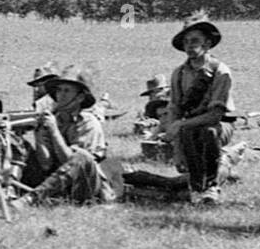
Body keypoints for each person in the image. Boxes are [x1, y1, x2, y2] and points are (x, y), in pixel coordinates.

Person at [13, 65, 116, 206]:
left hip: (82, 188)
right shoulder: (55, 119)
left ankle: (32, 198)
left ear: (80, 98)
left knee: (82, 156)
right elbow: (46, 164)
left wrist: (54, 131)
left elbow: (71, 162)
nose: (60, 95)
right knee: (18, 145)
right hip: (55, 184)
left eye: (67, 91)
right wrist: (39, 133)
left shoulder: (88, 123)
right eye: (59, 90)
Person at [161, 15, 236, 206]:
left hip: (219, 125)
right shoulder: (179, 73)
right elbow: (175, 109)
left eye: (195, 41)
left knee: (207, 132)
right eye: (186, 42)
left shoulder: (220, 71)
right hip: (189, 126)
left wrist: (181, 124)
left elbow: (215, 115)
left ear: (208, 44)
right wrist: (177, 150)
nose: (189, 46)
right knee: (189, 132)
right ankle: (196, 187)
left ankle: (211, 186)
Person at [133, 74, 170, 139]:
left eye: (154, 92)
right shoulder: (152, 107)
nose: (152, 96)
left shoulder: (176, 102)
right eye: (151, 94)